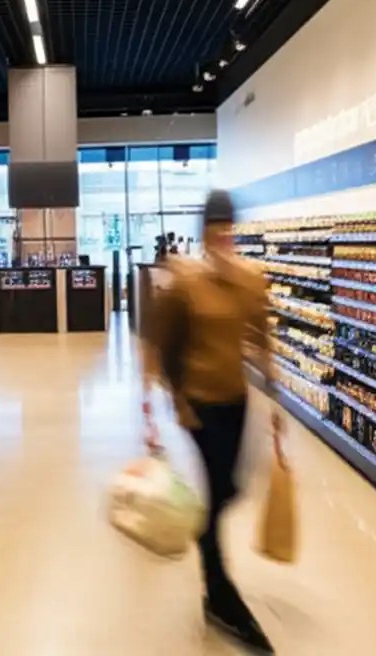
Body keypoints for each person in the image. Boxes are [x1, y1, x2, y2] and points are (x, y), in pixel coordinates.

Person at [140, 188, 280, 654]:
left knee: (230, 489)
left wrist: (276, 397)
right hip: (197, 404)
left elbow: (261, 336)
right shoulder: (185, 283)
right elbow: (156, 340)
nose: (222, 237)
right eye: (215, 229)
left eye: (228, 229)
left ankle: (209, 559)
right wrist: (152, 404)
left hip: (237, 400)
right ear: (204, 232)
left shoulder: (249, 280)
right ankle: (219, 591)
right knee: (219, 490)